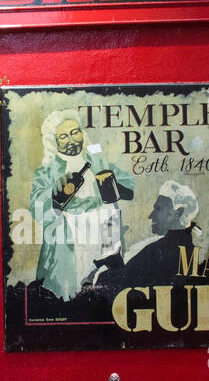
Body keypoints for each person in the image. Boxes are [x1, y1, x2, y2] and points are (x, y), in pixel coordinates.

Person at [30, 111, 134, 300]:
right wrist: (54, 191)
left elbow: (129, 187)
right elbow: (37, 209)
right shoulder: (47, 171)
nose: (71, 140)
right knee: (73, 296)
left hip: (106, 237)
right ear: (54, 141)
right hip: (72, 242)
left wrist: (113, 186)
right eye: (63, 136)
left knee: (107, 291)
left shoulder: (97, 160)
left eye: (75, 132)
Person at [96, 181, 199, 287]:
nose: (151, 215)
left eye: (158, 208)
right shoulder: (187, 246)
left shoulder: (158, 250)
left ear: (177, 213)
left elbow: (119, 283)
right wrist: (118, 266)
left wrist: (111, 269)